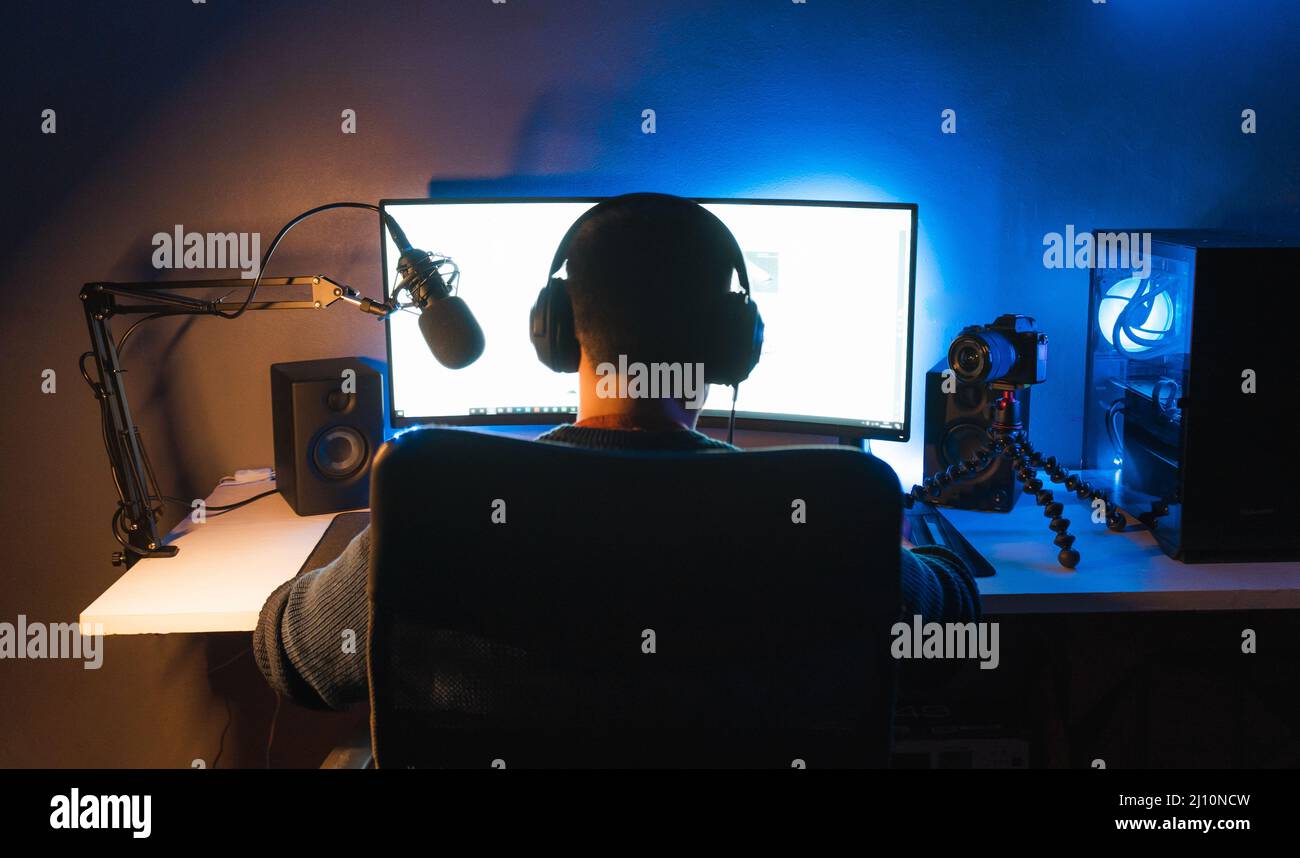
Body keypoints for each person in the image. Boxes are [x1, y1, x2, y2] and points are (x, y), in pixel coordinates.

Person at [254, 193, 979, 711]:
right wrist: (905, 545)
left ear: (558, 332)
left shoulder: (439, 503)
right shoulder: (825, 512)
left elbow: (291, 660)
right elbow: (951, 641)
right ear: (733, 345)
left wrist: (368, 551)